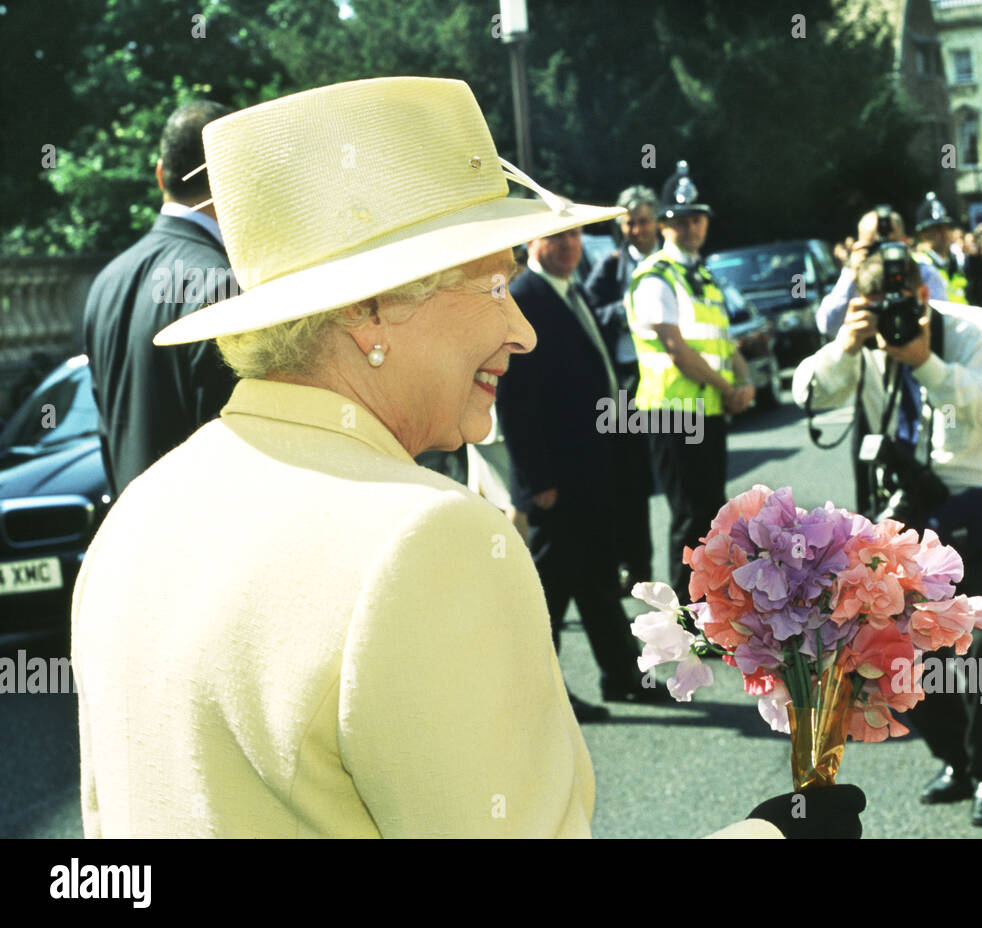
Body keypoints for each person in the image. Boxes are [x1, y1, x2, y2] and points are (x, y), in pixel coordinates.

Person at [71, 78, 864, 838]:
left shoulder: (139, 512)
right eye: (492, 287)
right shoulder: (424, 541)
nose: (520, 330)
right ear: (369, 309)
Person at [792, 249, 982, 827]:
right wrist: (846, 347)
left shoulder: (976, 328)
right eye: (880, 312)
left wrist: (926, 362)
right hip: (912, 520)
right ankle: (956, 761)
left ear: (926, 297)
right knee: (901, 656)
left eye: (906, 307)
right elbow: (808, 393)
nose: (896, 322)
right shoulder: (866, 343)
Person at [496, 228, 665, 719]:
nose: (569, 244)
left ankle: (622, 676)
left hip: (592, 470)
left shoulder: (574, 292)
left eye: (573, 235)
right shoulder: (524, 298)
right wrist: (534, 480)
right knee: (549, 593)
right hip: (557, 481)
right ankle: (540, 695)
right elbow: (516, 399)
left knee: (596, 580)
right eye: (557, 237)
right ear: (532, 244)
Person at [81, 99, 238, 497]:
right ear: (230, 175)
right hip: (202, 542)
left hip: (130, 537)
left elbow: (108, 432)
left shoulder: (105, 283)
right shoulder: (223, 285)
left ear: (159, 173)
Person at [626, 161, 754, 605]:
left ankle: (710, 612)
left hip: (707, 410)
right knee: (688, 518)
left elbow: (724, 340)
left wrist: (747, 379)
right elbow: (677, 350)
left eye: (697, 217)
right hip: (672, 411)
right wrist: (728, 388)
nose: (691, 226)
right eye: (680, 219)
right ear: (664, 224)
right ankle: (686, 620)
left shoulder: (702, 275)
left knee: (710, 517)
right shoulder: (655, 275)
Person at [584, 184, 659, 591]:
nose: (637, 229)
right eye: (630, 223)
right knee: (627, 478)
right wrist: (627, 309)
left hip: (670, 378)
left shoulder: (670, 263)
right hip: (625, 382)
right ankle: (635, 565)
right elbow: (590, 310)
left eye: (643, 221)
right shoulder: (611, 266)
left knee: (672, 474)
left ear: (656, 224)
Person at [816, 207, 948, 338]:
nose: (882, 255)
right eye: (874, 247)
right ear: (859, 246)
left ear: (904, 242)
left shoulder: (925, 273)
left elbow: (939, 327)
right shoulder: (852, 275)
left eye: (890, 246)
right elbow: (827, 326)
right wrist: (852, 275)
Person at [912, 192, 967, 305]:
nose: (943, 234)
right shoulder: (919, 264)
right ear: (923, 234)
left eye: (945, 227)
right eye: (936, 229)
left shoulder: (954, 261)